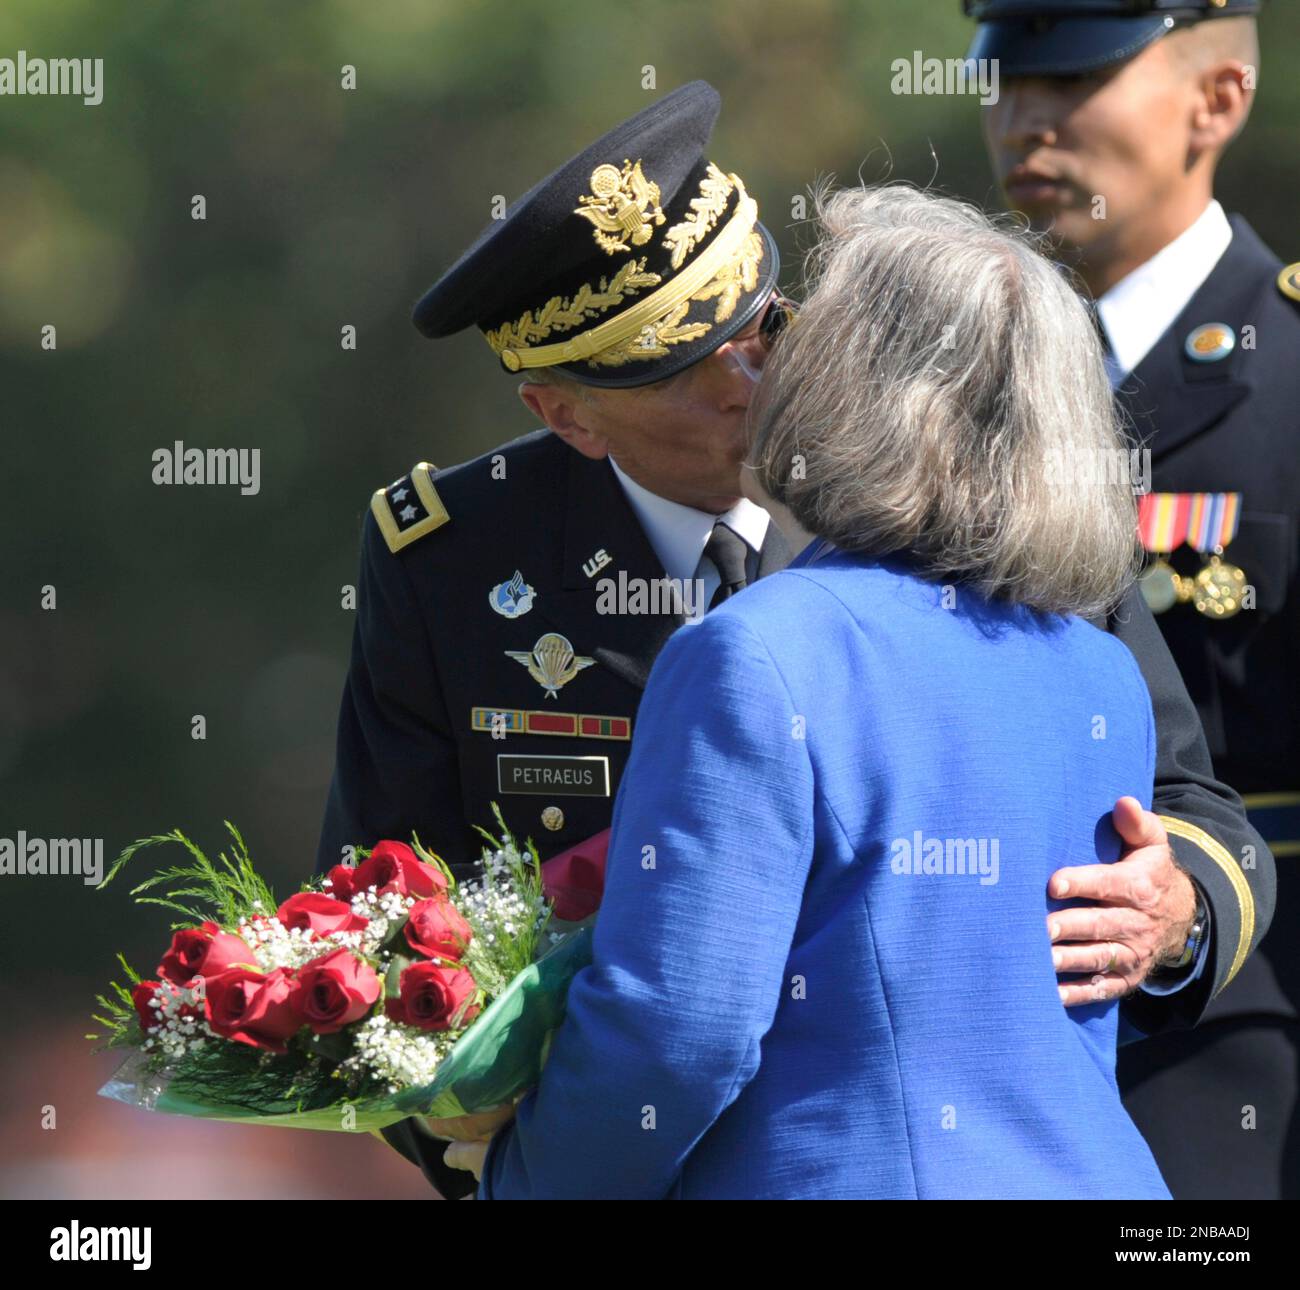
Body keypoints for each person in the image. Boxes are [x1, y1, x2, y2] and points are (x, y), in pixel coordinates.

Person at [316, 81, 1272, 1198]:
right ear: (563, 413)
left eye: (762, 323)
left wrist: (1179, 913)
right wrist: (484, 1150)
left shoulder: (983, 487)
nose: (751, 377)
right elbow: (380, 918)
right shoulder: (456, 558)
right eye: (678, 364)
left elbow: (1194, 803)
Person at [456, 184, 1168, 1198]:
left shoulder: (755, 654)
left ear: (852, 389)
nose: (762, 364)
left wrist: (520, 1184)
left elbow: (678, 1034)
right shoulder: (1095, 667)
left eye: (798, 330)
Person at [969, 0, 1298, 1198]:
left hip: (1246, 1058)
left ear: (1216, 100)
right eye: (1005, 85)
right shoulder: (958, 394)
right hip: (983, 1037)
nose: (1023, 123)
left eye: (1069, 84)